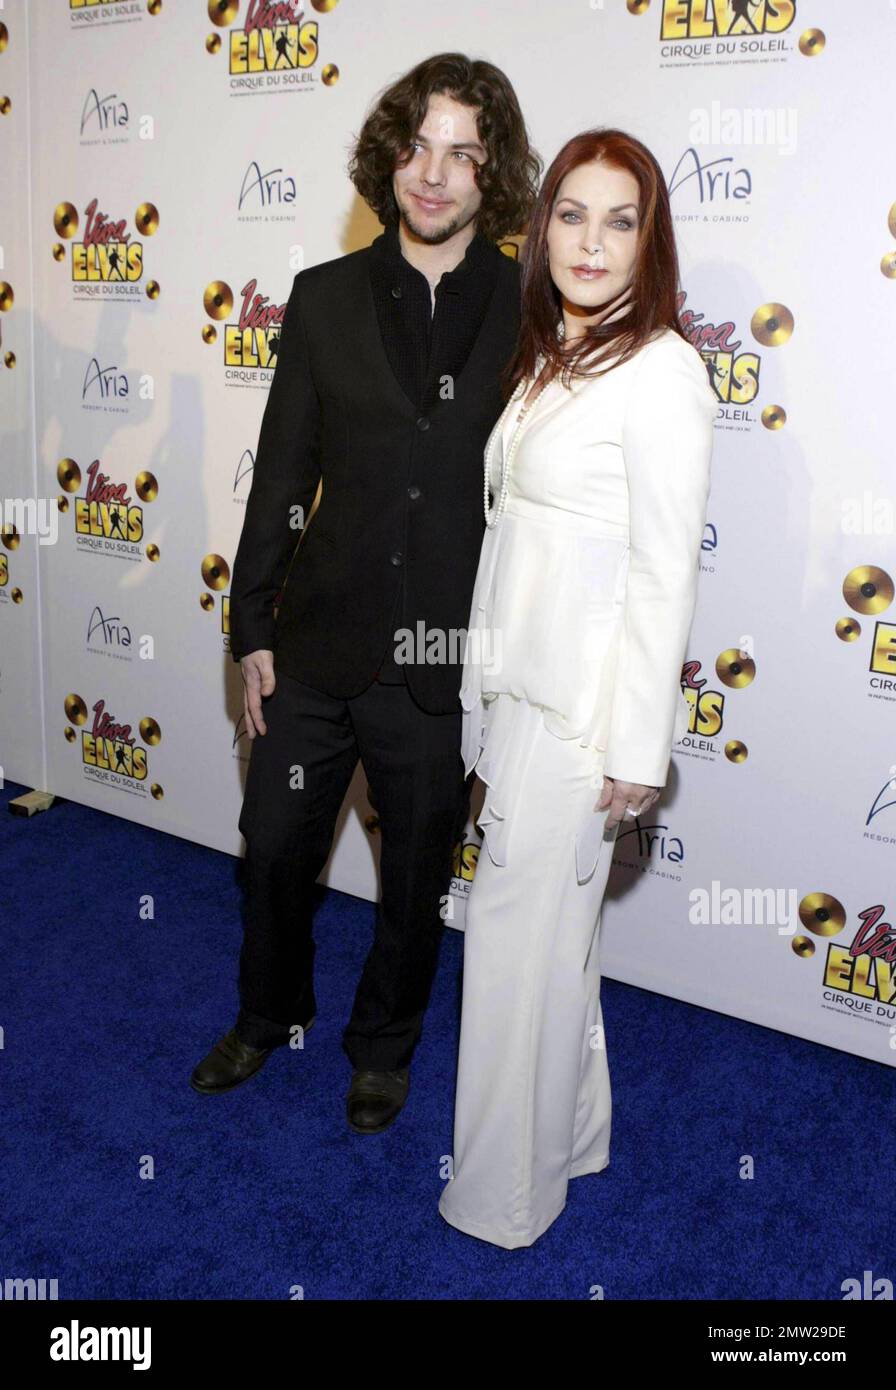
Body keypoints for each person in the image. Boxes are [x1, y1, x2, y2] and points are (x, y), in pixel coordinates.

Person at [190, 54, 540, 1137]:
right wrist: (251, 626)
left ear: (493, 177)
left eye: (461, 153)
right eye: (415, 145)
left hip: (444, 650)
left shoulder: (525, 303)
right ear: (388, 156)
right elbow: (283, 472)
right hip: (318, 637)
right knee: (275, 843)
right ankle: (268, 1008)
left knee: (417, 873)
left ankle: (382, 1045)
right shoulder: (324, 297)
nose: (432, 174)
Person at [438, 129, 718, 1247]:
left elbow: (662, 572)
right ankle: (577, 1137)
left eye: (619, 219)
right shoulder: (551, 348)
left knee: (513, 952)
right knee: (555, 942)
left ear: (649, 239)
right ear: (540, 223)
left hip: (576, 721)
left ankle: (503, 1198)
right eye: (570, 213)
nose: (590, 241)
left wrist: (633, 753)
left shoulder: (661, 371)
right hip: (517, 696)